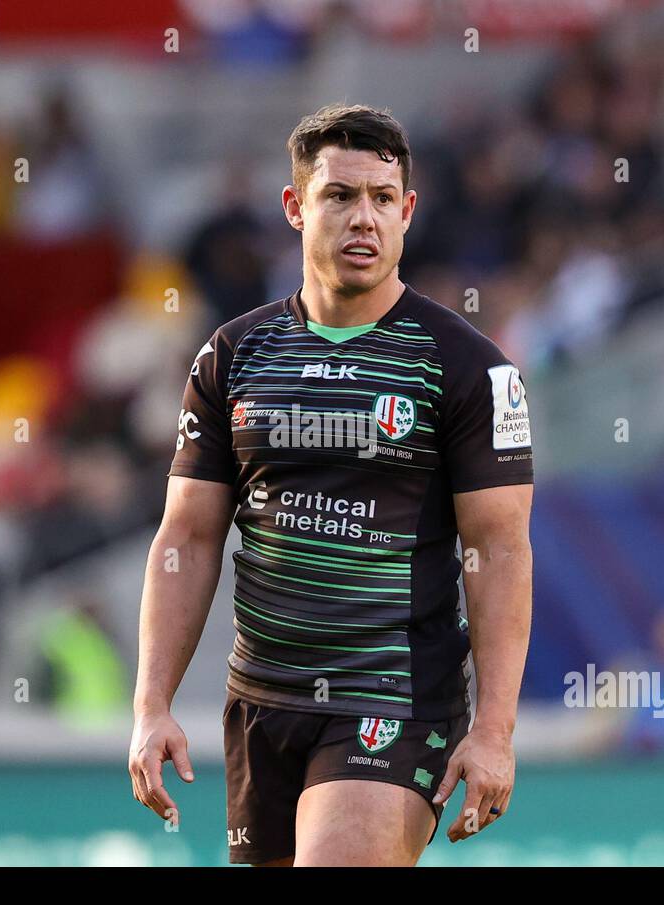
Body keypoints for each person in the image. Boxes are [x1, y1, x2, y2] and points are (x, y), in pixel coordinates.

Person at [129, 104, 534, 866]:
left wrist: (496, 731)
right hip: (262, 702)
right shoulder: (232, 356)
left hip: (391, 700)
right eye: (340, 195)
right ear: (294, 207)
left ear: (408, 212)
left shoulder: (469, 367)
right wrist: (151, 703)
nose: (364, 219)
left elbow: (501, 547)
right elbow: (184, 537)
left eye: (383, 199)